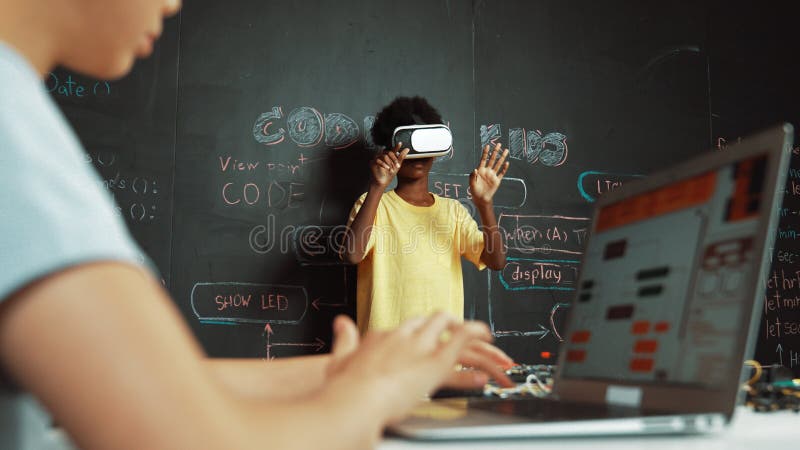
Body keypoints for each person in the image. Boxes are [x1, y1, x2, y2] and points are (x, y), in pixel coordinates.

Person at [0, 1, 513, 449]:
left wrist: (342, 373)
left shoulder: (20, 114)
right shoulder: (13, 127)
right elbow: (189, 436)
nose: (175, 5)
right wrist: (376, 392)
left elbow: (141, 385)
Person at [341, 96, 510, 334]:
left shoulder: (453, 212)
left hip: (441, 355)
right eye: (409, 144)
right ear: (391, 149)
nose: (418, 154)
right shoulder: (374, 205)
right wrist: (377, 186)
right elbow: (352, 255)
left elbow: (497, 261)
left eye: (425, 143)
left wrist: (485, 205)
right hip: (385, 357)